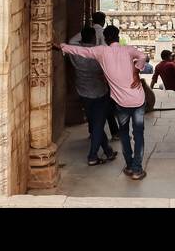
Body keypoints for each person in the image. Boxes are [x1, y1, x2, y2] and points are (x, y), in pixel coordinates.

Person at [56, 24, 149, 179]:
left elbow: (81, 51)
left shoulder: (101, 51)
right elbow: (143, 56)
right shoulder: (128, 50)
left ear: (105, 39)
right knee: (138, 134)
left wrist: (61, 46)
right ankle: (137, 169)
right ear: (118, 37)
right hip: (138, 99)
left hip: (120, 103)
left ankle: (130, 166)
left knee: (124, 134)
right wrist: (136, 71)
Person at [64, 24, 118, 166]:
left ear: (81, 38)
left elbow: (72, 41)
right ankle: (93, 156)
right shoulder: (99, 53)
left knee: (95, 123)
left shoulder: (75, 52)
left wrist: (86, 33)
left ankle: (108, 151)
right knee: (98, 126)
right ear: (94, 37)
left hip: (83, 91)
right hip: (100, 92)